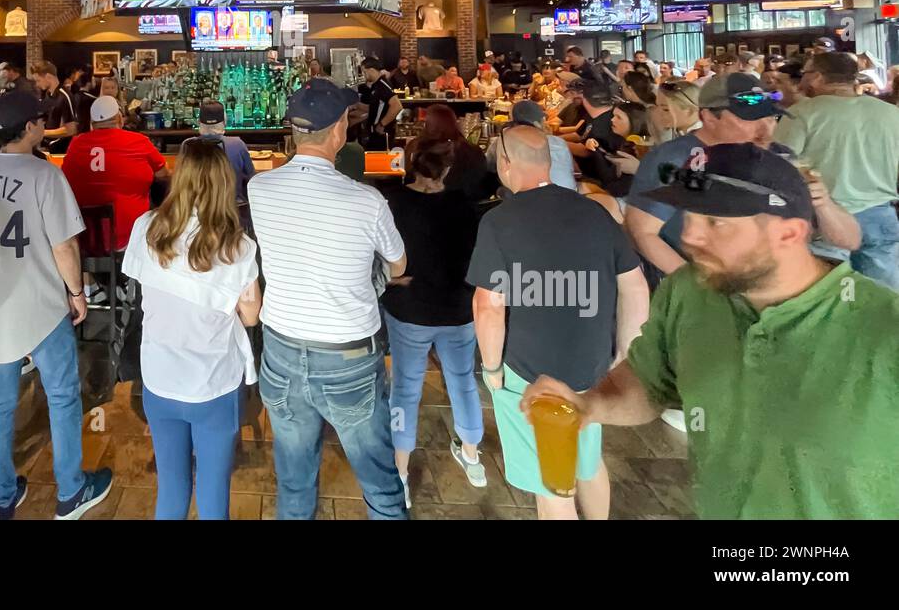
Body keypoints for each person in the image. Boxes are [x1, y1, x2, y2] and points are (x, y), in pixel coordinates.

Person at [522, 143, 899, 519]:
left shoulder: (882, 329)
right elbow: (648, 381)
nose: (690, 237)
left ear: (789, 234)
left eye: (716, 222)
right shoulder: (691, 291)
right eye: (688, 215)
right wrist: (589, 405)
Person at [469, 126, 649, 519]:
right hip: (590, 366)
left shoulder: (499, 222)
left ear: (505, 164)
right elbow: (635, 287)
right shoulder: (597, 212)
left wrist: (492, 367)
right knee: (587, 461)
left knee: (551, 485)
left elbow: (489, 306)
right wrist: (623, 352)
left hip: (529, 373)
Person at [0, 91, 113, 520]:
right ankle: (71, 492)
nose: (43, 125)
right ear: (28, 129)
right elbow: (64, 245)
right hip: (42, 303)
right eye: (39, 120)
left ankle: (2, 498)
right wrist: (77, 292)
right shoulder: (44, 175)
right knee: (61, 397)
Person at [249, 79, 408, 520]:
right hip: (348, 358)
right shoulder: (367, 201)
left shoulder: (259, 191)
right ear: (339, 129)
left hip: (280, 351)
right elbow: (397, 266)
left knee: (294, 482)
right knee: (380, 483)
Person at [122, 140, 261, 519]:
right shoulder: (238, 248)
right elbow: (251, 317)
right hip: (213, 383)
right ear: (224, 184)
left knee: (171, 484)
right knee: (214, 490)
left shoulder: (145, 229)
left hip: (159, 379)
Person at [381, 141, 487, 505]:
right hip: (458, 308)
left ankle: (400, 473)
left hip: (409, 307)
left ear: (412, 164)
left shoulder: (394, 204)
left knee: (405, 389)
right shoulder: (466, 206)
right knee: (462, 382)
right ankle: (472, 457)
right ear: (446, 170)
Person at [626, 73, 784, 279]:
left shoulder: (777, 156)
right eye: (749, 119)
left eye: (771, 118)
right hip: (705, 282)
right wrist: (699, 288)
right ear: (709, 117)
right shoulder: (675, 159)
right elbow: (643, 232)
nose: (765, 130)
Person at [774, 52, 899, 290]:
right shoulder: (890, 113)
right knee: (885, 301)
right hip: (881, 215)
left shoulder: (803, 113)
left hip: (826, 220)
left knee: (828, 298)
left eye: (806, 74)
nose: (802, 82)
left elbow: (780, 162)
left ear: (818, 77)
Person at [62, 95, 168, 250]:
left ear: (92, 124)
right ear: (120, 119)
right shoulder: (138, 141)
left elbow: (64, 180)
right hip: (132, 237)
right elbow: (163, 174)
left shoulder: (76, 144)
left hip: (87, 240)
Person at [407, 103, 493, 200]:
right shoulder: (474, 151)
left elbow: (409, 180)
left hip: (423, 207)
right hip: (468, 207)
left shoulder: (415, 148)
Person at [486, 100, 577, 191]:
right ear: (541, 121)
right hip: (568, 195)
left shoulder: (502, 141)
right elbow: (573, 170)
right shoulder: (559, 142)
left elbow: (488, 167)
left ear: (513, 120)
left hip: (531, 199)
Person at [192, 102, 255, 203]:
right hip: (234, 210)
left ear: (199, 122)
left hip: (199, 210)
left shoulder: (188, 145)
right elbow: (251, 177)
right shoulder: (237, 144)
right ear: (225, 121)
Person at [31, 61, 78, 151]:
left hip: (60, 150)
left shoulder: (65, 96)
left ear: (48, 77)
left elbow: (71, 129)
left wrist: (42, 133)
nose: (37, 84)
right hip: (48, 147)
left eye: (38, 80)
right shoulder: (47, 94)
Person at [358, 58, 402, 151]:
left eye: (364, 72)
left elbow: (397, 106)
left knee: (380, 162)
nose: (364, 75)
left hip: (381, 133)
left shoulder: (382, 85)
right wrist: (357, 106)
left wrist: (382, 124)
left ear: (371, 70)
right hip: (374, 132)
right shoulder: (376, 86)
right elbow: (376, 108)